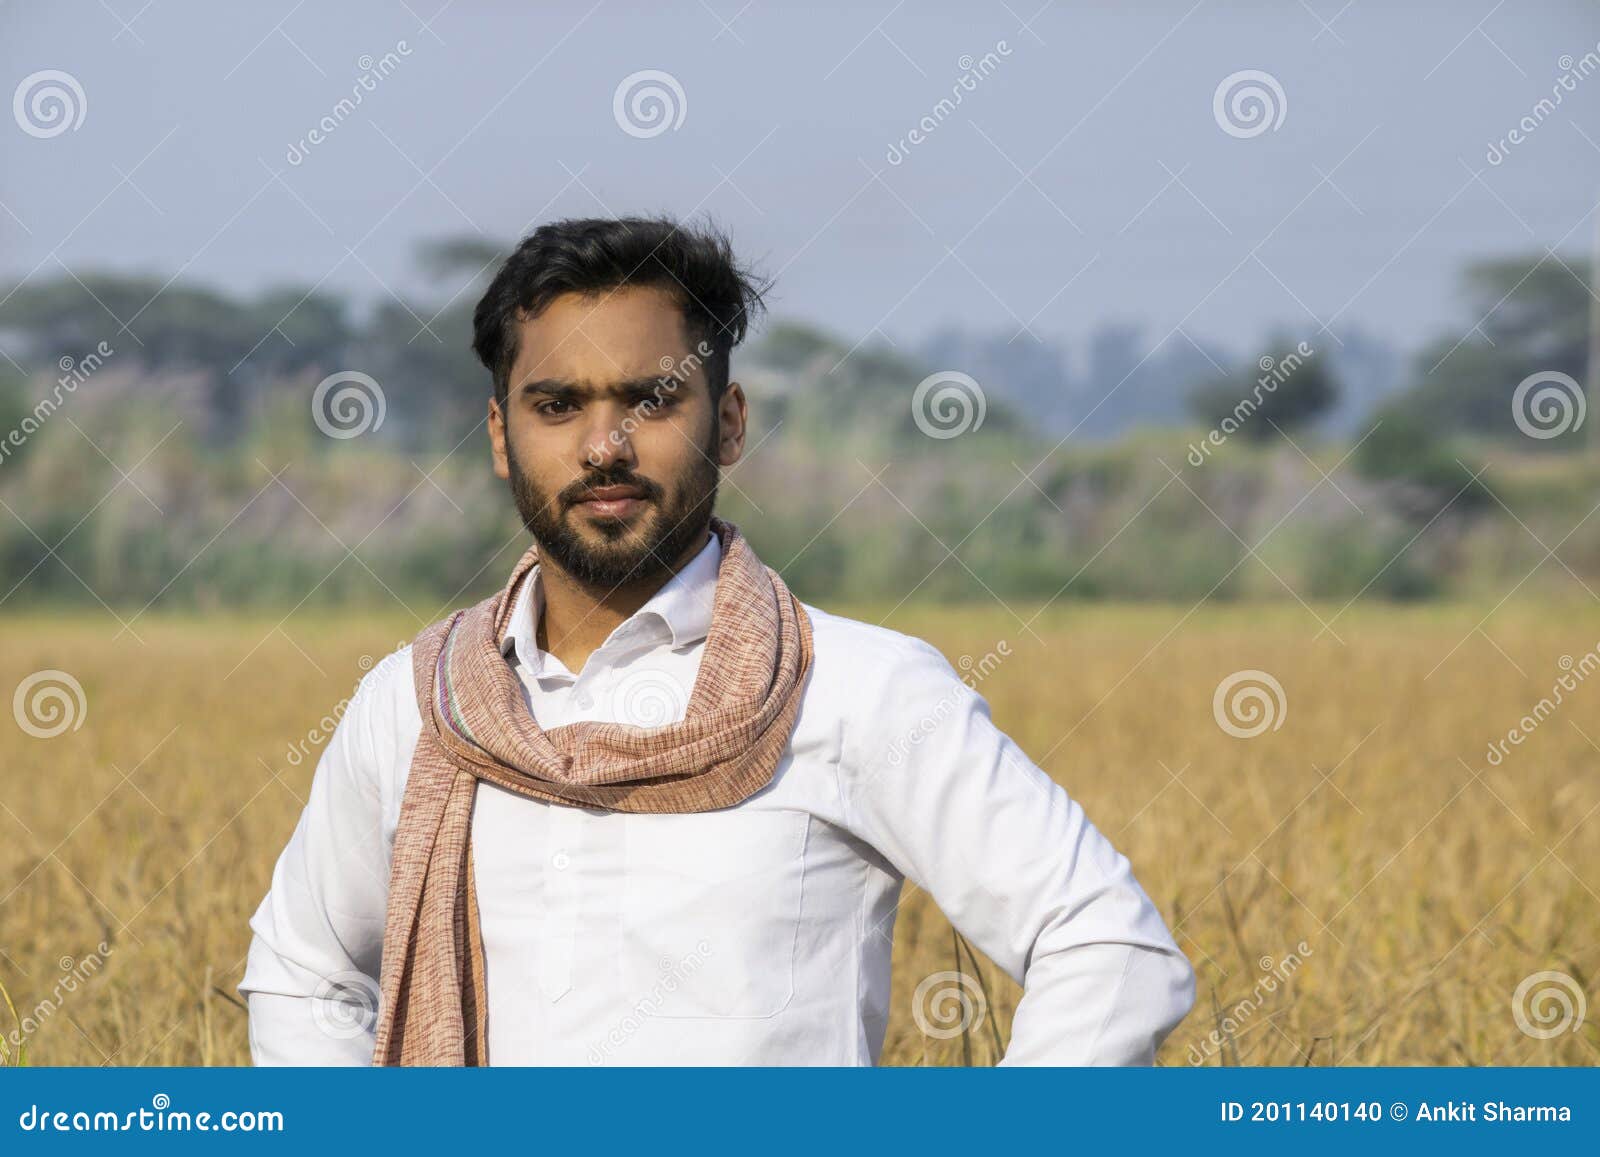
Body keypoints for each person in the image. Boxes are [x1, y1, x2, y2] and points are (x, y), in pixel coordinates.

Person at [239, 214, 1194, 1065]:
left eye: (652, 399)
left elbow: (1108, 946)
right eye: (557, 404)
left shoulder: (859, 691)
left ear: (727, 422)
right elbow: (303, 975)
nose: (604, 445)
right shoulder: (417, 708)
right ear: (500, 436)